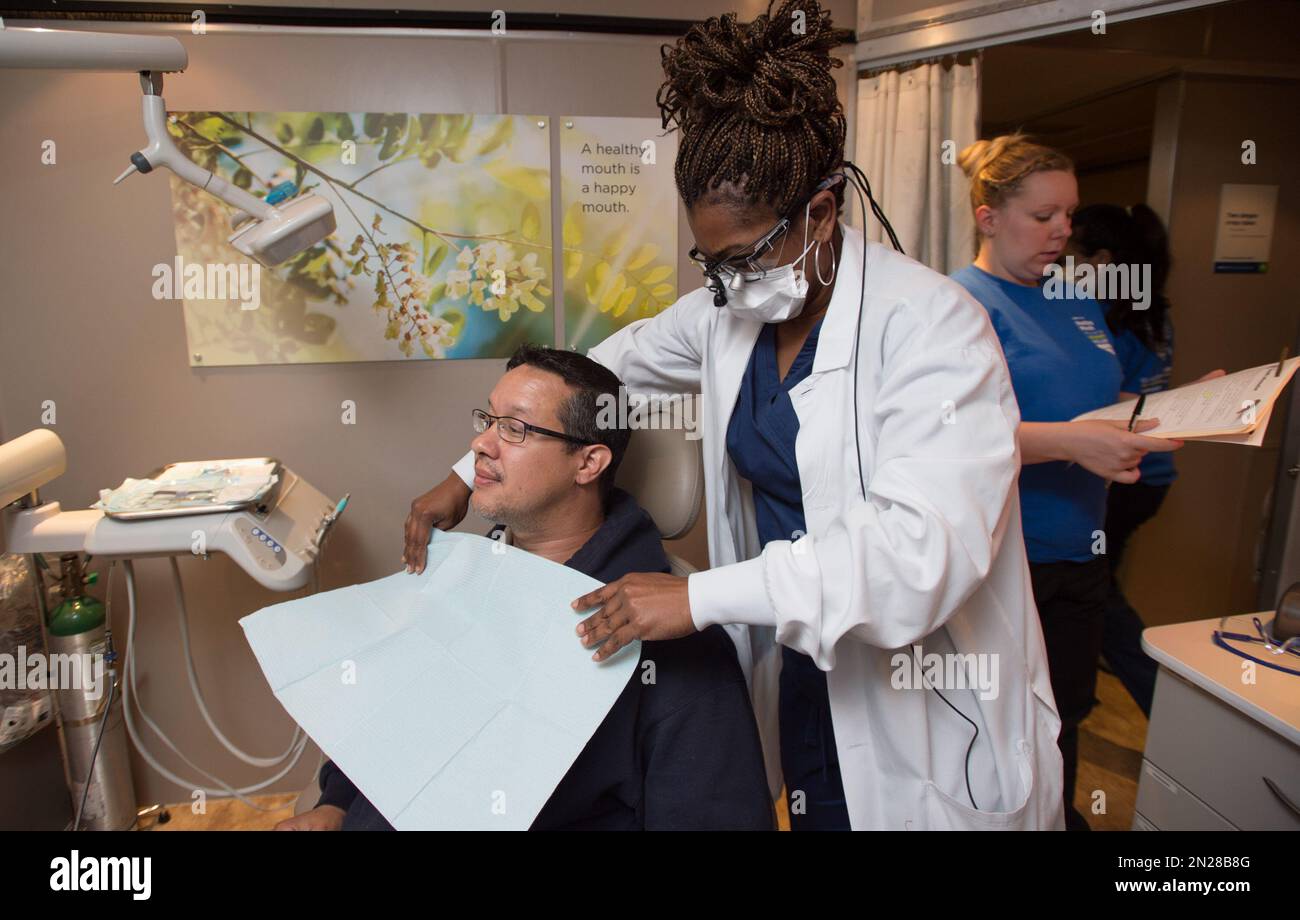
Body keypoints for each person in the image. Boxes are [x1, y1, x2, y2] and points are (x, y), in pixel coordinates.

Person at [404, 1, 1064, 830]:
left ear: (821, 215)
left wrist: (701, 598)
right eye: (709, 264)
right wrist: (470, 475)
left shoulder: (933, 330)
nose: (726, 288)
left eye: (745, 257)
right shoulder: (731, 317)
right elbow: (586, 383)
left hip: (923, 691)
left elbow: (917, 557)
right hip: (800, 663)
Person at [278, 345, 773, 830]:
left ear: (588, 463)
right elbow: (396, 720)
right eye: (488, 420)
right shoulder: (460, 584)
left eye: (514, 429)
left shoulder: (676, 650)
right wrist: (337, 806)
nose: (480, 444)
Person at [950, 136, 1183, 829]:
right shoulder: (961, 306)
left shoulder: (1075, 299)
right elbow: (949, 438)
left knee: (1068, 716)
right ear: (989, 218)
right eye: (1044, 215)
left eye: (1069, 215)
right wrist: (1068, 446)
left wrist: (1182, 409)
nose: (1064, 231)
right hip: (1002, 562)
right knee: (994, 728)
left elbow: (1099, 405)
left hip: (1081, 548)